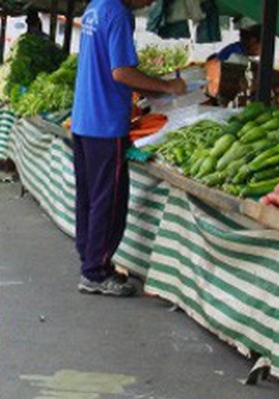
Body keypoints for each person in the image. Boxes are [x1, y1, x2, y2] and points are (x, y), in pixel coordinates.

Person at [71, 0, 185, 296]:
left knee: (89, 198)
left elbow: (112, 70)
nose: (149, 3)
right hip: (106, 124)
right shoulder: (118, 14)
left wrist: (152, 90)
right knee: (108, 202)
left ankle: (91, 261)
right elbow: (121, 72)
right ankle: (95, 272)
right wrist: (167, 87)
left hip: (84, 119)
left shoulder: (96, 6)